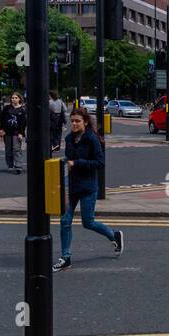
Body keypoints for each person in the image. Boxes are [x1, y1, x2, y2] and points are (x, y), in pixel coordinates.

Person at [54, 108, 123, 272]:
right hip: (71, 187)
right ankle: (66, 257)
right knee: (65, 221)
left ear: (85, 122)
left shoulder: (92, 139)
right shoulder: (69, 138)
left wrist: (76, 163)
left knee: (88, 222)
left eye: (77, 121)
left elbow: (100, 162)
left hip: (87, 187)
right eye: (72, 121)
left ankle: (114, 235)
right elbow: (69, 159)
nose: (74, 124)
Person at [0, 91, 27, 174]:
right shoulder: (7, 108)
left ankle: (18, 166)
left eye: (16, 98)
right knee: (8, 149)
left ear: (19, 99)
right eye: (12, 98)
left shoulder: (22, 110)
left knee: (16, 149)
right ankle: (10, 165)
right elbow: (0, 119)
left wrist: (21, 133)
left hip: (16, 132)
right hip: (7, 131)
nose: (14, 99)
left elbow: (23, 123)